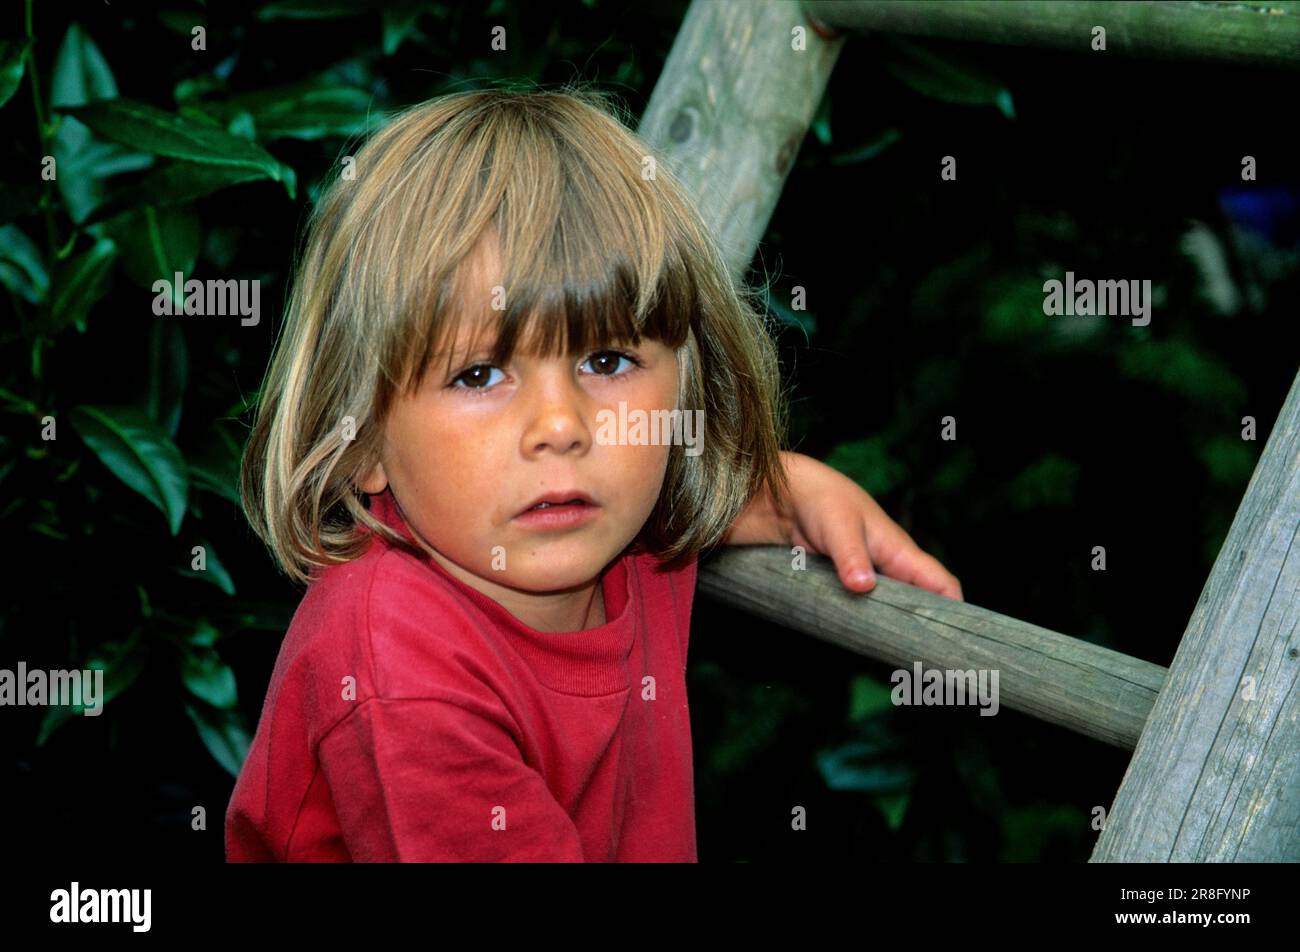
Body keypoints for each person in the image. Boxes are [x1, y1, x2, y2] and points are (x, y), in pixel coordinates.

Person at [225, 83, 961, 862]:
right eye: (479, 376)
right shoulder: (404, 676)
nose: (563, 429)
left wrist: (787, 488)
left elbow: (684, 472)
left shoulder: (617, 518)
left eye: (607, 360)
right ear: (362, 438)